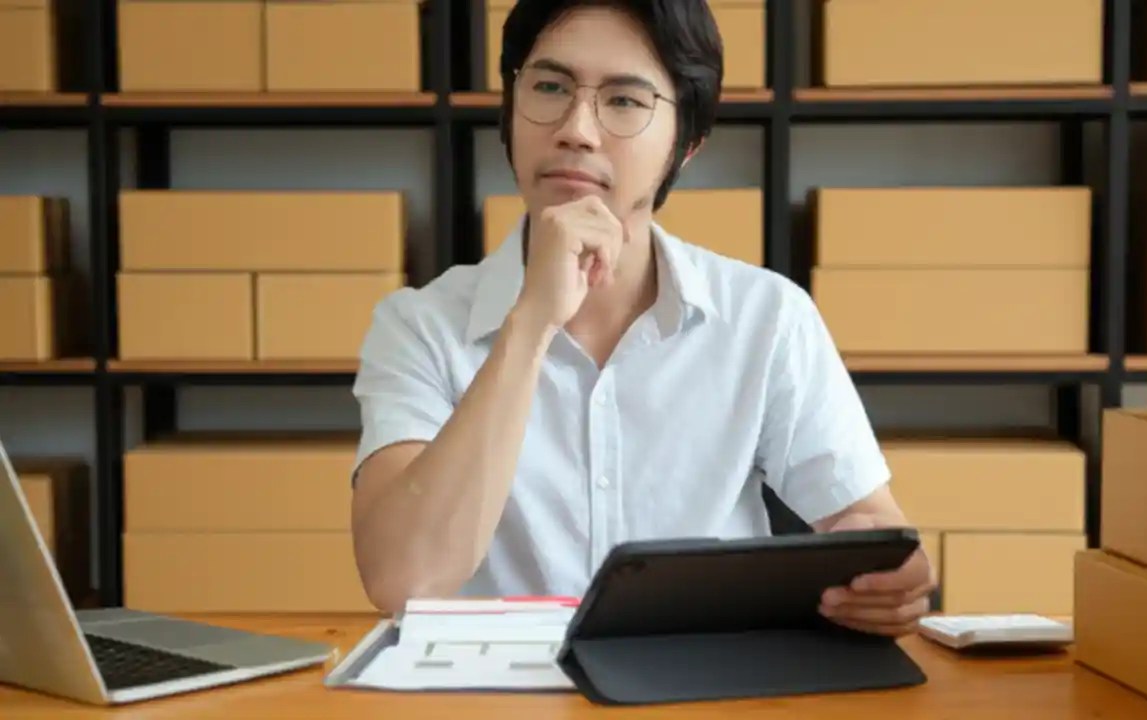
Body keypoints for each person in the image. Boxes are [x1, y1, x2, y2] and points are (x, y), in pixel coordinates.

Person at [349, 0, 935, 638]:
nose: (577, 128)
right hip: (495, 697)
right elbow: (401, 580)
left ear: (686, 146)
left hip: (702, 688)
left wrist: (888, 578)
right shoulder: (418, 326)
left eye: (625, 102)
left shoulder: (767, 319)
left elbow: (871, 528)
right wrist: (530, 325)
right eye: (549, 87)